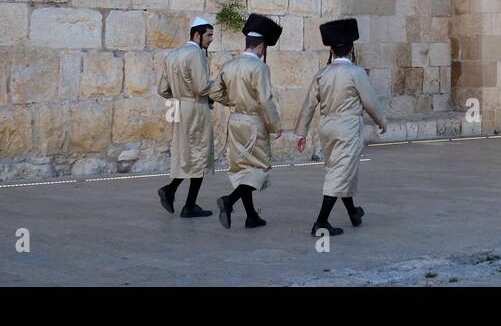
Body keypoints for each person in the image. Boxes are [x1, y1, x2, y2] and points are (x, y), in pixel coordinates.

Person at [295, 18, 387, 237]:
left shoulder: (322, 74)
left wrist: (301, 133)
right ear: (351, 48)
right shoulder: (356, 73)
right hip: (348, 126)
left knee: (340, 169)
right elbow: (370, 101)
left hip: (326, 126)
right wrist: (381, 121)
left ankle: (353, 213)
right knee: (339, 172)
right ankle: (321, 222)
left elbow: (308, 104)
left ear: (332, 50)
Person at [209, 14, 283, 230]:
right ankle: (228, 201)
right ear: (260, 46)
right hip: (253, 124)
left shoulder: (230, 65)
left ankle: (251, 216)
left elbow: (214, 91)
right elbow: (264, 100)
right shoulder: (259, 68)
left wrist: (231, 101)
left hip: (235, 121)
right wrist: (275, 125)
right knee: (259, 169)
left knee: (243, 169)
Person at [156, 15, 216, 218]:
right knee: (198, 156)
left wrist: (181, 94)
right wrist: (218, 89)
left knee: (186, 155)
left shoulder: (173, 55)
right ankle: (184, 201)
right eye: (208, 35)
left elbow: (163, 90)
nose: (211, 39)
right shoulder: (196, 54)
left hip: (179, 108)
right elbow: (202, 87)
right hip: (196, 110)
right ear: (197, 34)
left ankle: (177, 195)